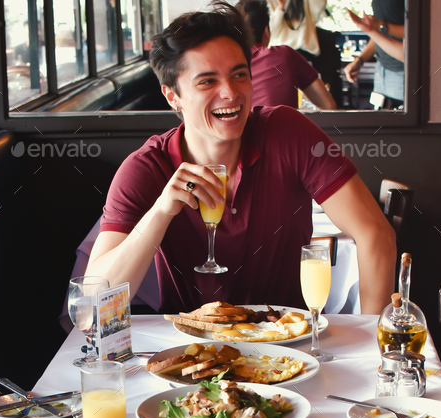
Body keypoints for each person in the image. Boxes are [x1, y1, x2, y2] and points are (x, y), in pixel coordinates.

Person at [87, 1, 395, 315]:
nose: (231, 93)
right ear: (172, 96)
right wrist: (161, 212)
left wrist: (372, 344)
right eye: (208, 81)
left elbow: (375, 234)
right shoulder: (147, 167)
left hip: (289, 351)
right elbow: (93, 309)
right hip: (191, 353)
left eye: (239, 75)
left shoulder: (288, 132)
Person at [237, 0, 336, 110]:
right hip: (284, 125)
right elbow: (328, 105)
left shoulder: (229, 63)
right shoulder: (285, 54)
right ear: (267, 32)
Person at [344, 2, 405, 107]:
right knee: (381, 120)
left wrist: (380, 26)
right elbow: (379, 34)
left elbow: (414, 31)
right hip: (381, 70)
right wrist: (360, 60)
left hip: (402, 73)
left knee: (399, 122)